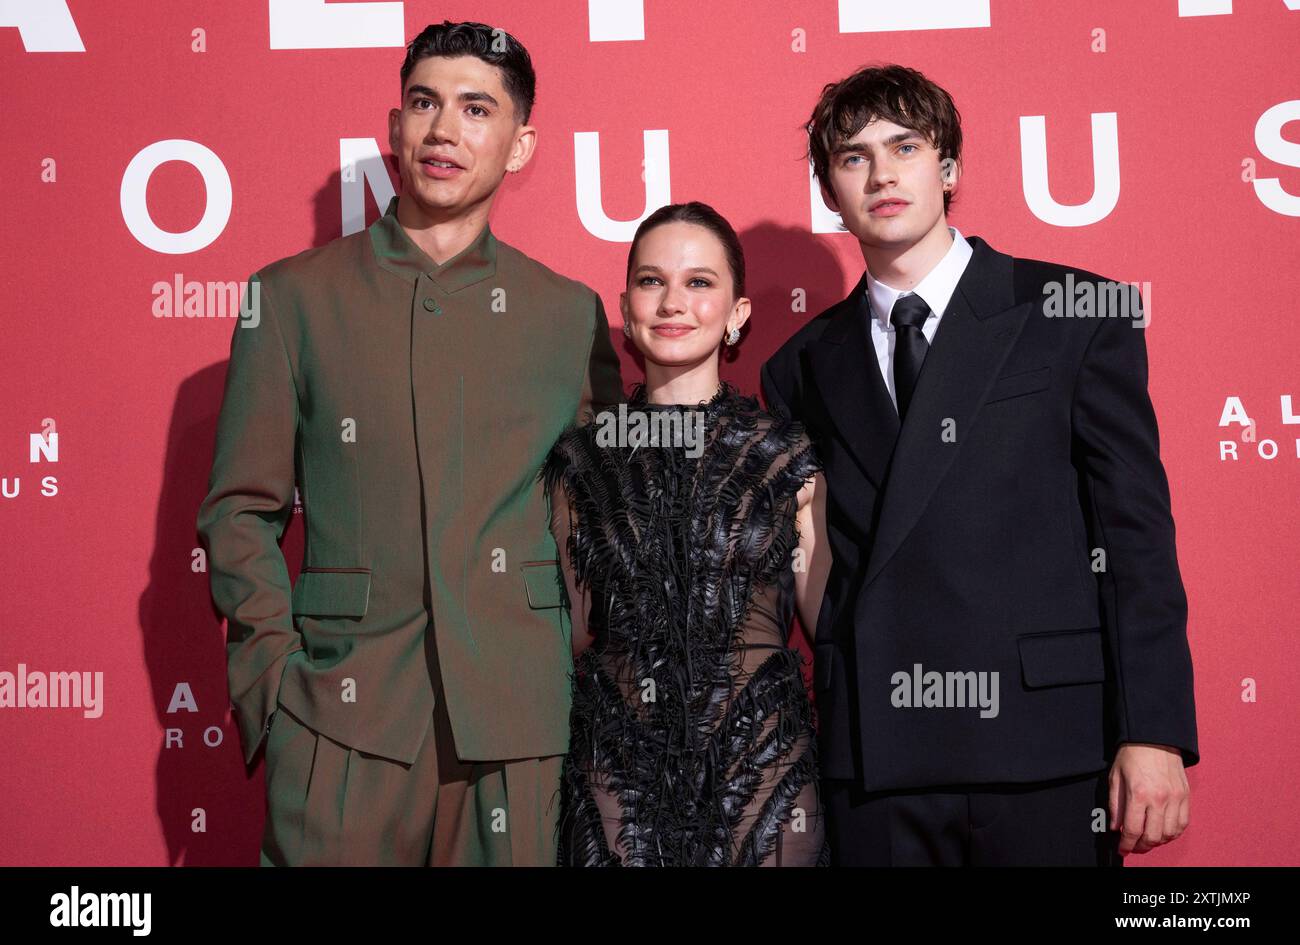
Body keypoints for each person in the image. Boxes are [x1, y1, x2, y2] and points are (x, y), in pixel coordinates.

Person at [196, 20, 622, 866]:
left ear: (521, 144)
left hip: (519, 729)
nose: (443, 131)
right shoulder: (289, 299)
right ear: (394, 129)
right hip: (338, 723)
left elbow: (604, 528)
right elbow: (239, 513)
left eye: (476, 109)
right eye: (423, 103)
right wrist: (276, 686)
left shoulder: (569, 316)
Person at [761, 64, 1198, 866]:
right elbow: (816, 558)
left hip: (1046, 745)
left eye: (906, 146)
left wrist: (1154, 731)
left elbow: (1133, 538)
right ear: (830, 189)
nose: (883, 173)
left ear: (949, 167)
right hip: (880, 754)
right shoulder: (801, 366)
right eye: (853, 156)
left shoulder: (1073, 313)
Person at [542, 202, 830, 866]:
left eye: (700, 282)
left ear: (738, 313)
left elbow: (835, 628)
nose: (673, 301)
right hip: (618, 774)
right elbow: (575, 634)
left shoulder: (789, 458)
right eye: (651, 281)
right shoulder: (581, 463)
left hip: (760, 772)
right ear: (625, 307)